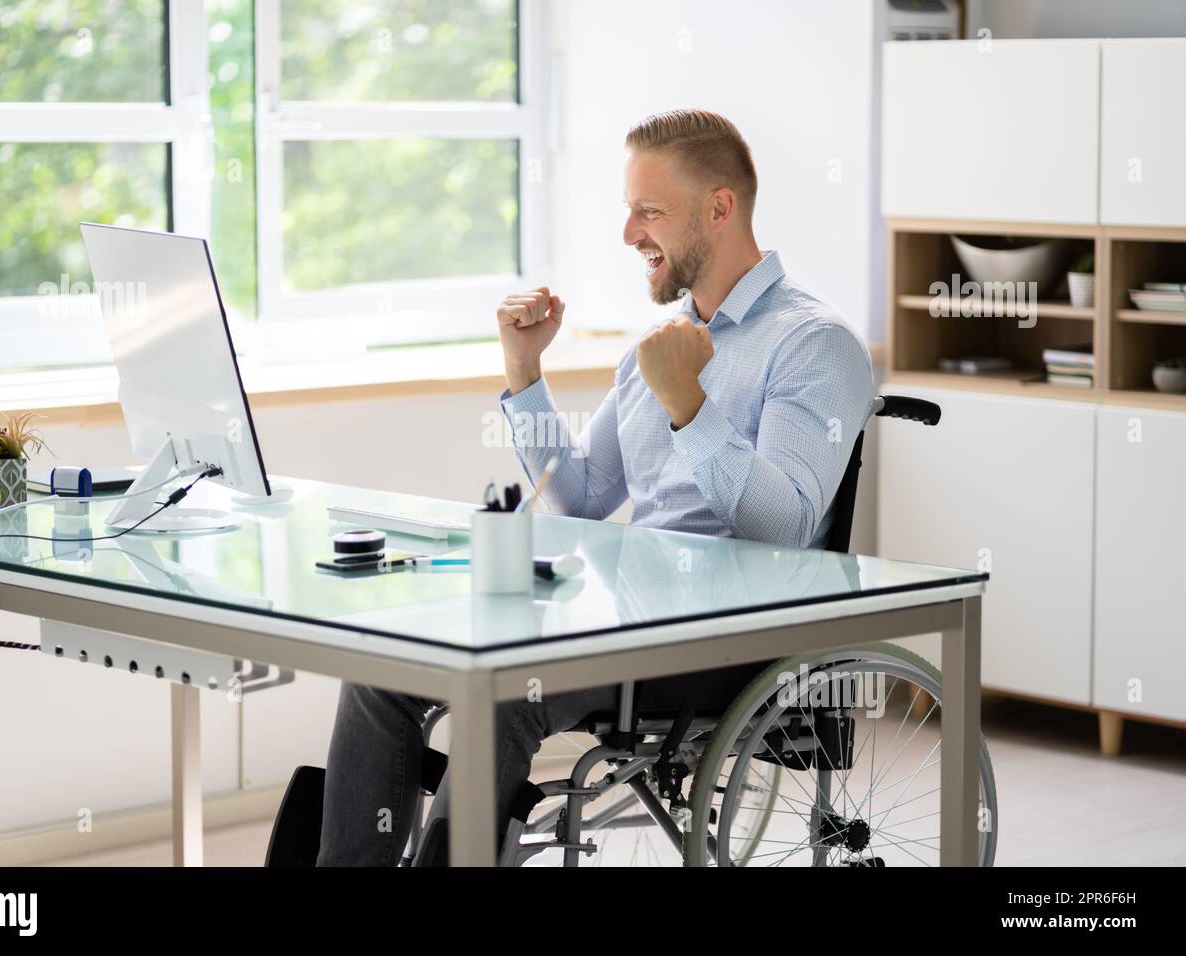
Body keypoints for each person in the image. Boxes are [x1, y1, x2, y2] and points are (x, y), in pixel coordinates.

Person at [316, 108, 873, 866]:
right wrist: (524, 371)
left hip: (729, 639)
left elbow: (785, 525)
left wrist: (690, 406)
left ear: (720, 206)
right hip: (630, 613)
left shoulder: (815, 343)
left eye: (650, 212)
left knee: (504, 690)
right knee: (385, 668)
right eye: (628, 210)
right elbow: (579, 495)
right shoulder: (655, 348)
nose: (628, 234)